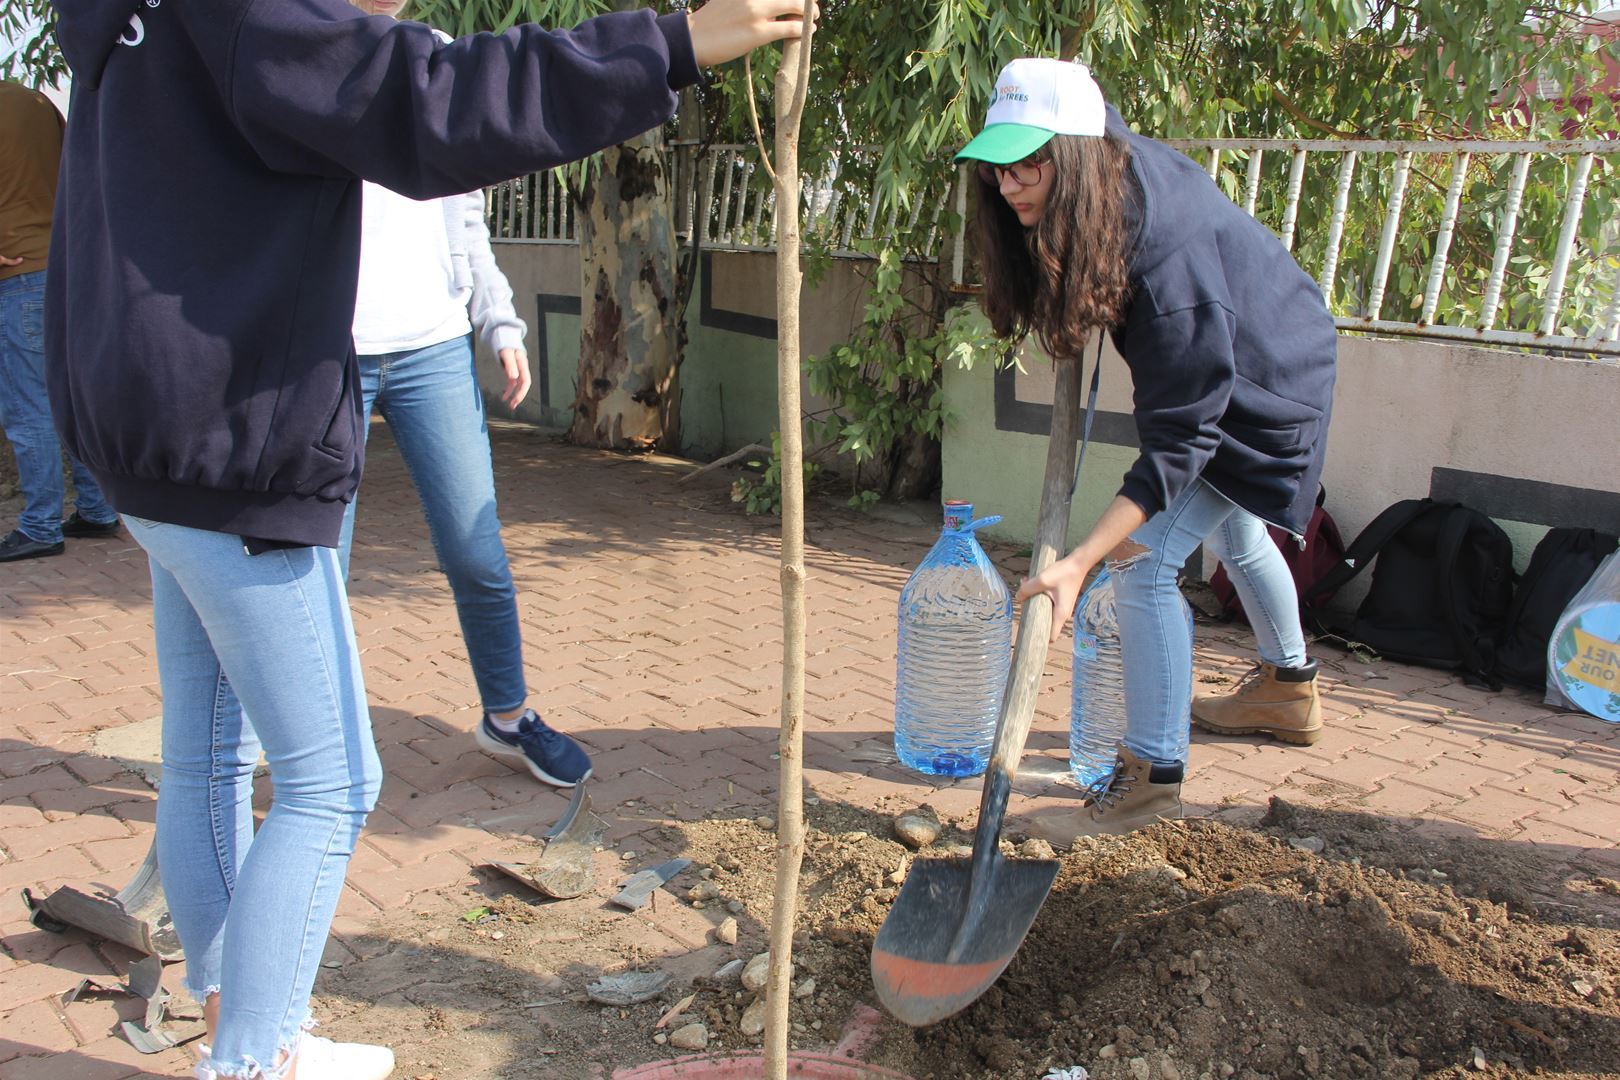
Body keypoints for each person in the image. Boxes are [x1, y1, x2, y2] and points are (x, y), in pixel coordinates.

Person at [44, 2, 813, 1077]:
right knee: (333, 781)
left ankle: (237, 1020)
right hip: (225, 451)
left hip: (155, 446)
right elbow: (438, 101)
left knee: (211, 754)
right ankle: (252, 1060)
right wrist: (673, 43)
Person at [955, 58, 1337, 842]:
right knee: (1236, 527)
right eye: (1000, 165)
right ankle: (1287, 688)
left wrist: (1080, 560)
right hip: (1261, 342)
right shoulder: (1102, 162)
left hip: (1266, 388)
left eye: (1031, 164)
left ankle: (1152, 782)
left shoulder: (1169, 269)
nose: (1011, 184)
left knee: (1146, 561)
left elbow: (1180, 444)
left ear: (1078, 160)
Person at [338, 0, 590, 789]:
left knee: (476, 551)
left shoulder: (436, 54)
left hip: (433, 344)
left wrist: (501, 322)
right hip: (323, 349)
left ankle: (507, 717)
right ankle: (310, 736)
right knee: (313, 565)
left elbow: (464, 217)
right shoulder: (305, 51)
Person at [0, 80, 120, 562]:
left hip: (19, 271)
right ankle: (98, 510)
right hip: (66, 268)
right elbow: (81, 165)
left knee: (29, 409)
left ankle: (40, 526)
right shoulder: (30, 99)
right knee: (72, 399)